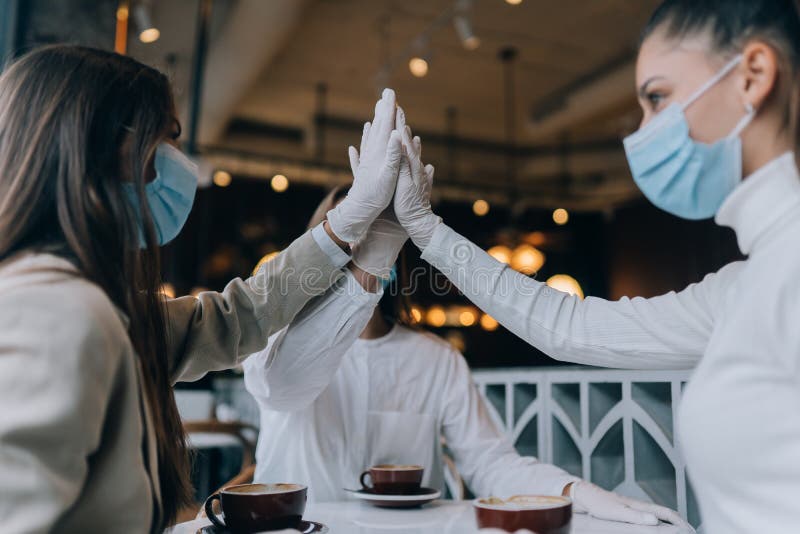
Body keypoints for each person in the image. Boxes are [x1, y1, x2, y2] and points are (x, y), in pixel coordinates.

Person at [389, 1, 800, 532]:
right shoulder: (740, 288)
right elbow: (571, 328)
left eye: (658, 97)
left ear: (754, 74)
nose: (643, 132)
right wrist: (426, 231)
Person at [0, 46, 403, 532]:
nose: (177, 164)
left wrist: (349, 223)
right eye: (165, 140)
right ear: (103, 147)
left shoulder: (99, 305)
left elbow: (237, 315)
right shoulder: (54, 314)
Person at [242, 190, 691, 530]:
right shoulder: (275, 344)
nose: (362, 246)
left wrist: (575, 491)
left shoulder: (434, 359)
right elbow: (280, 389)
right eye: (346, 234)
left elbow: (490, 464)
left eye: (377, 233)